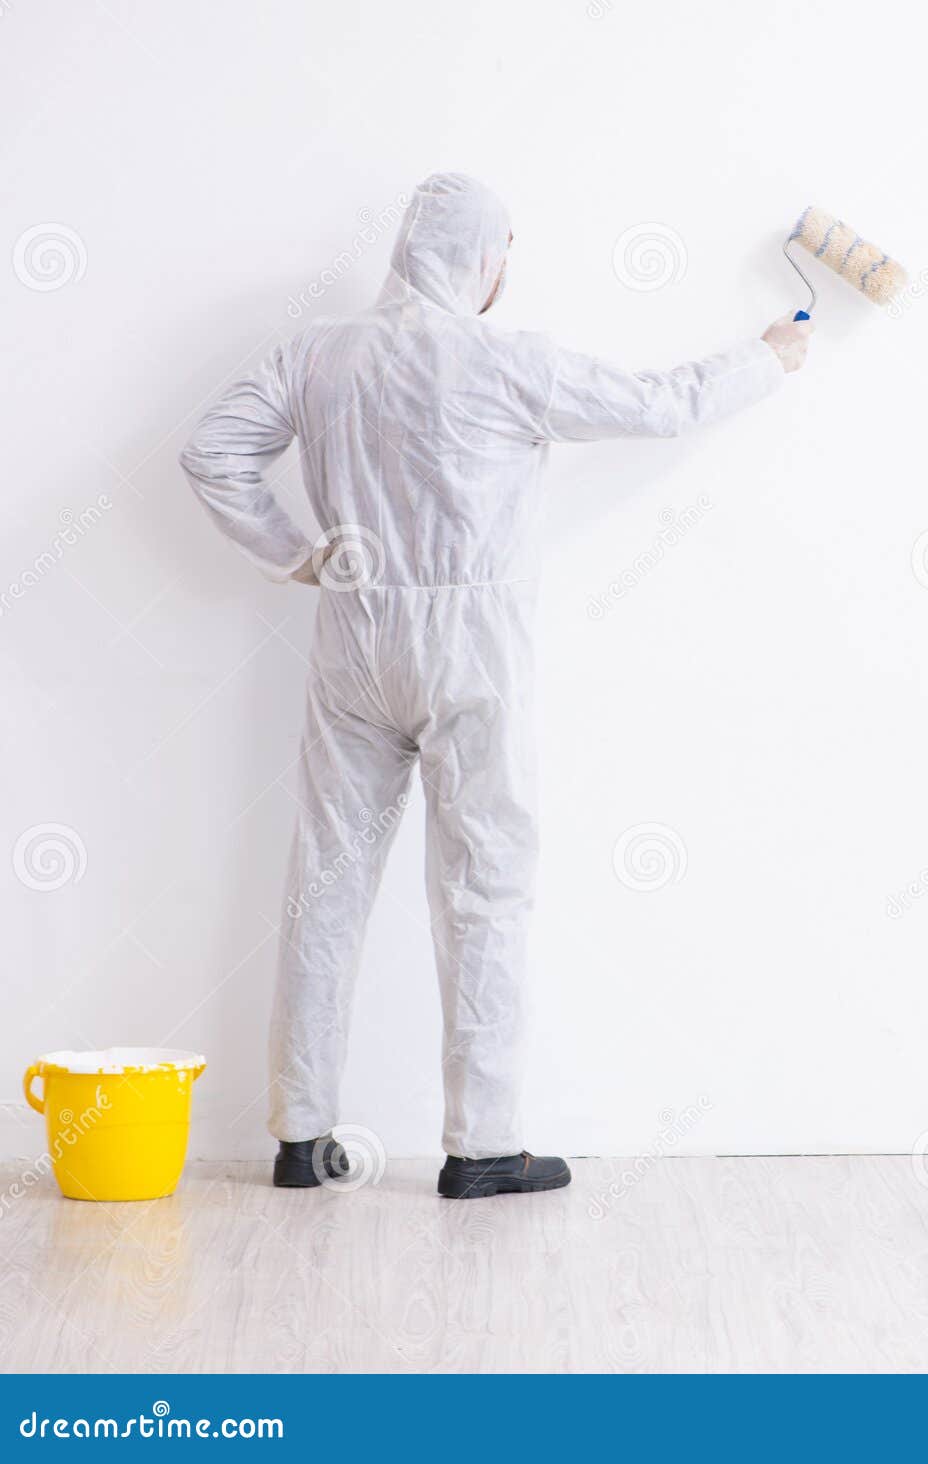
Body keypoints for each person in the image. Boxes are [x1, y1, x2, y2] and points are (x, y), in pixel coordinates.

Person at [180, 172, 809, 1198]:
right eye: (503, 249)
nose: (506, 269)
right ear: (478, 257)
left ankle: (300, 1135)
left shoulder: (318, 355)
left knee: (327, 881)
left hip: (354, 631)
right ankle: (482, 1148)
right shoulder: (508, 363)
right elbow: (661, 404)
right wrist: (768, 358)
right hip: (470, 649)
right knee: (484, 890)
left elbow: (209, 451)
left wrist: (295, 553)